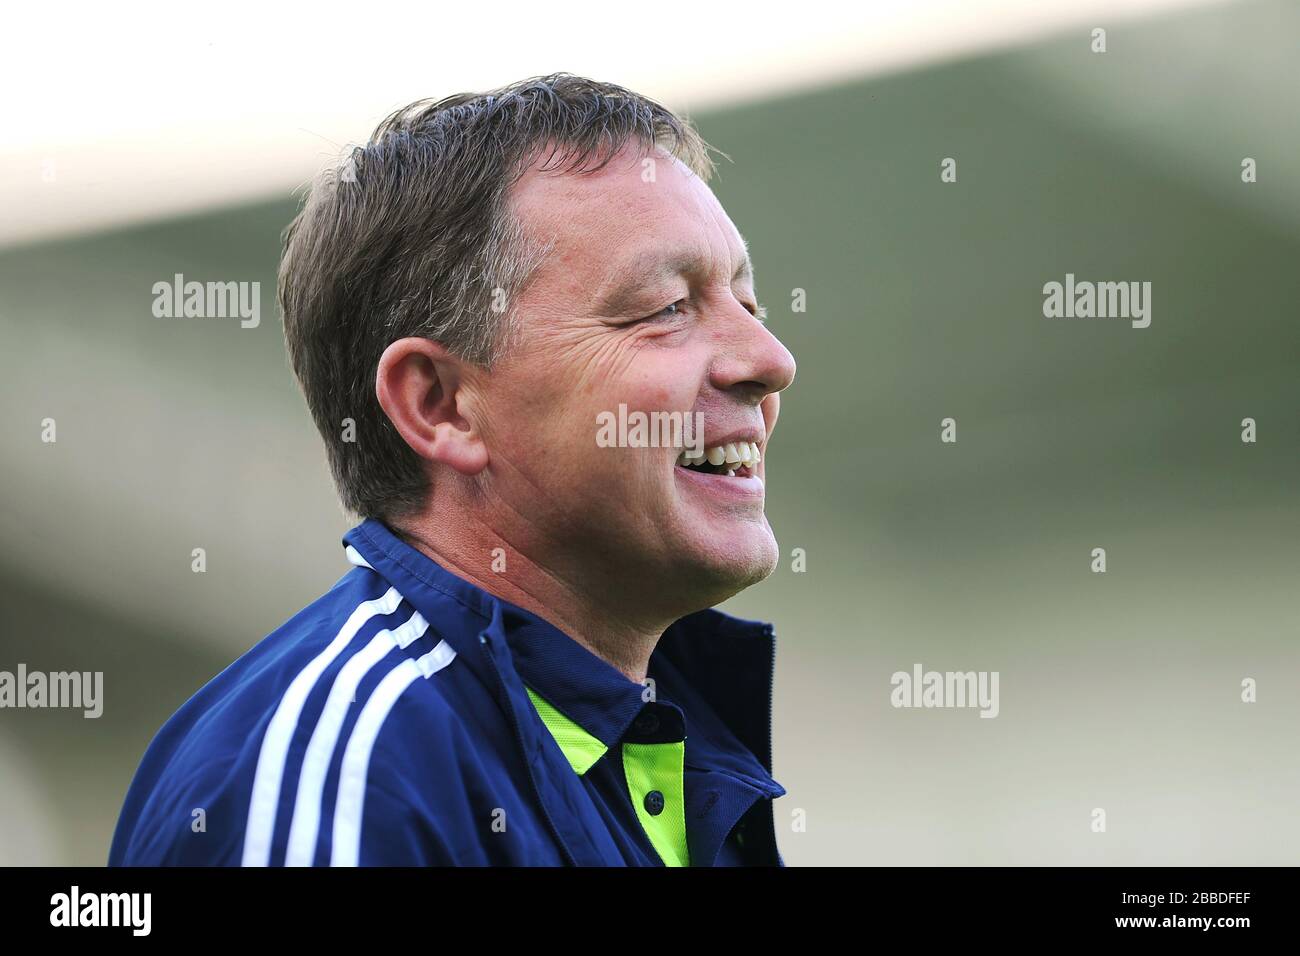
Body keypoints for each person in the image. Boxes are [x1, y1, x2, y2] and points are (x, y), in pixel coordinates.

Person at [109, 73, 797, 866]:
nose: (769, 360)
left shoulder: (669, 738)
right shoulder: (350, 780)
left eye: (749, 306)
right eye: (665, 308)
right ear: (440, 406)